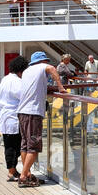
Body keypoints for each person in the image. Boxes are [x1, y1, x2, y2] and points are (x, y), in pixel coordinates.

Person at [15, 51, 67, 187]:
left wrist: (47, 88)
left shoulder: (27, 71)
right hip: (33, 112)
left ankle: (27, 174)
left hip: (22, 111)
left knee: (25, 145)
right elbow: (52, 69)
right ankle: (23, 177)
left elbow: (34, 86)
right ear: (43, 61)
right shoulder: (42, 67)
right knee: (34, 146)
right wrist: (60, 87)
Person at [0, 54, 27, 182]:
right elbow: (24, 96)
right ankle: (11, 172)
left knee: (9, 145)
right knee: (14, 146)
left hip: (5, 115)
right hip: (13, 117)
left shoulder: (6, 79)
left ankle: (12, 170)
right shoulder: (17, 82)